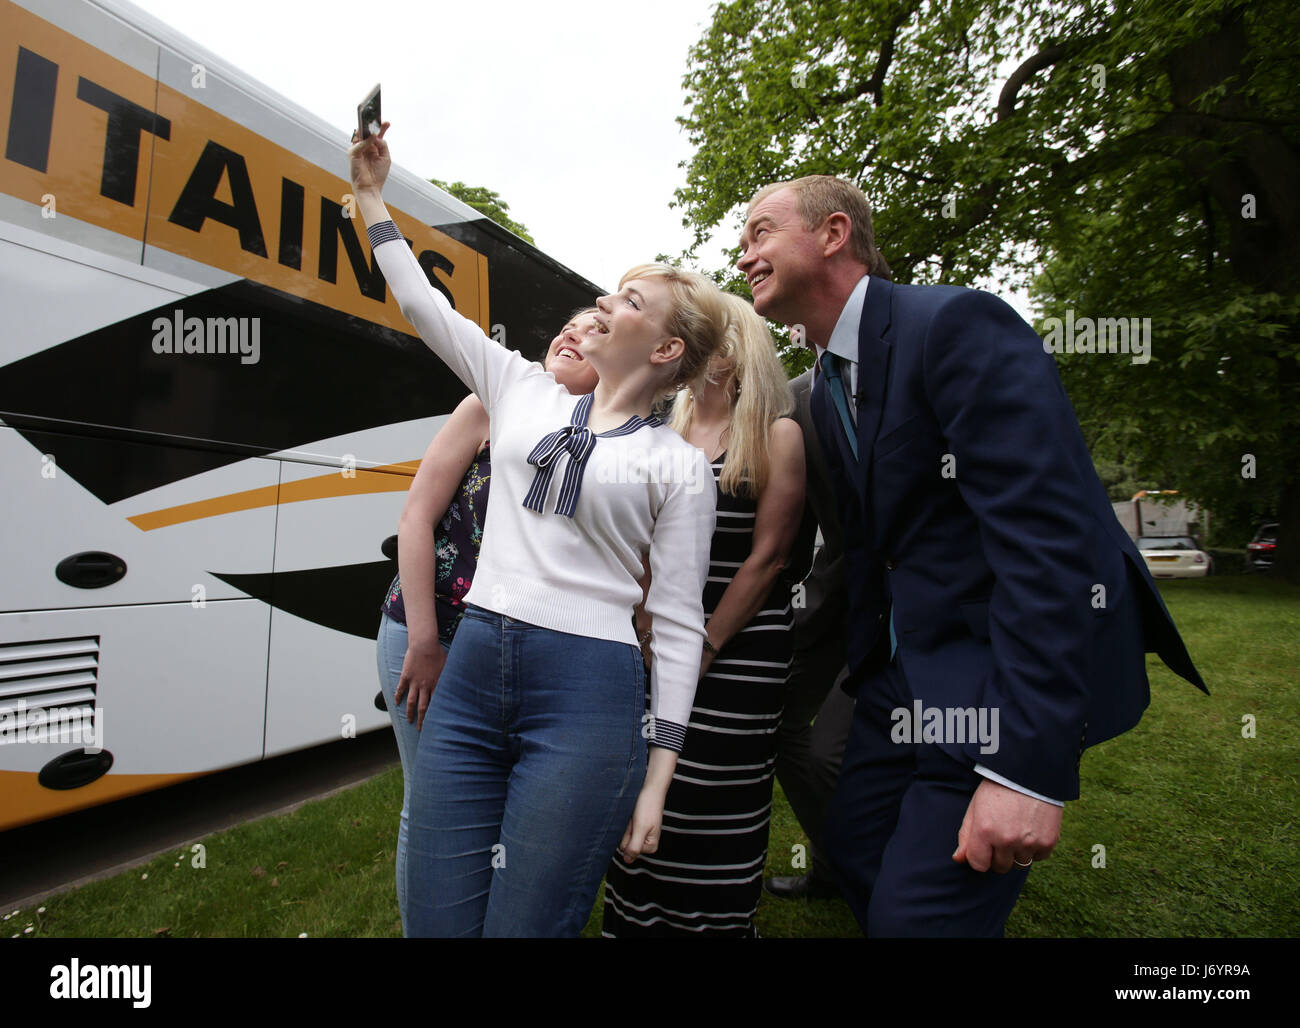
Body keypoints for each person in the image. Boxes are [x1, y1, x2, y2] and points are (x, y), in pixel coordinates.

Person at [737, 174, 1206, 936]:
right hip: (900, 684)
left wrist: (1025, 767)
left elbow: (1050, 545)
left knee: (913, 916)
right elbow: (873, 552)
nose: (743, 253)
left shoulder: (954, 324)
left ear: (832, 234)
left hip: (994, 681)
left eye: (761, 231)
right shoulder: (824, 387)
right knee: (854, 847)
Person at [350, 123, 729, 937]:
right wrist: (373, 196)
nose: (604, 305)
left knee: (527, 924)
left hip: (590, 695)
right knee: (439, 914)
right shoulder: (519, 388)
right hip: (473, 668)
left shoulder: (679, 466)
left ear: (664, 347)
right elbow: (421, 301)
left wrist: (659, 779)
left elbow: (676, 626)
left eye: (628, 301)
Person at [375, 309, 599, 935]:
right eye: (567, 325)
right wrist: (423, 639)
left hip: (513, 655)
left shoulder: (611, 438)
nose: (571, 333)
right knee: (432, 809)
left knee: (493, 812)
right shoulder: (488, 403)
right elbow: (416, 517)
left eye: (593, 328)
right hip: (430, 637)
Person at [602, 292, 805, 936]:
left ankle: (713, 923)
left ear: (736, 348)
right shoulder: (662, 430)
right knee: (645, 779)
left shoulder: (778, 433)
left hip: (738, 649)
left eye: (710, 335)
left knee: (713, 795)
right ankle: (634, 920)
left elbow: (769, 559)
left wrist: (705, 645)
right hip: (656, 643)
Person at [762, 365, 855, 901]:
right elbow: (790, 525)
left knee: (833, 751)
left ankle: (877, 867)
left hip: (917, 611)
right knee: (781, 725)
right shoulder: (795, 399)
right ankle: (837, 862)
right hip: (829, 600)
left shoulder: (920, 362)